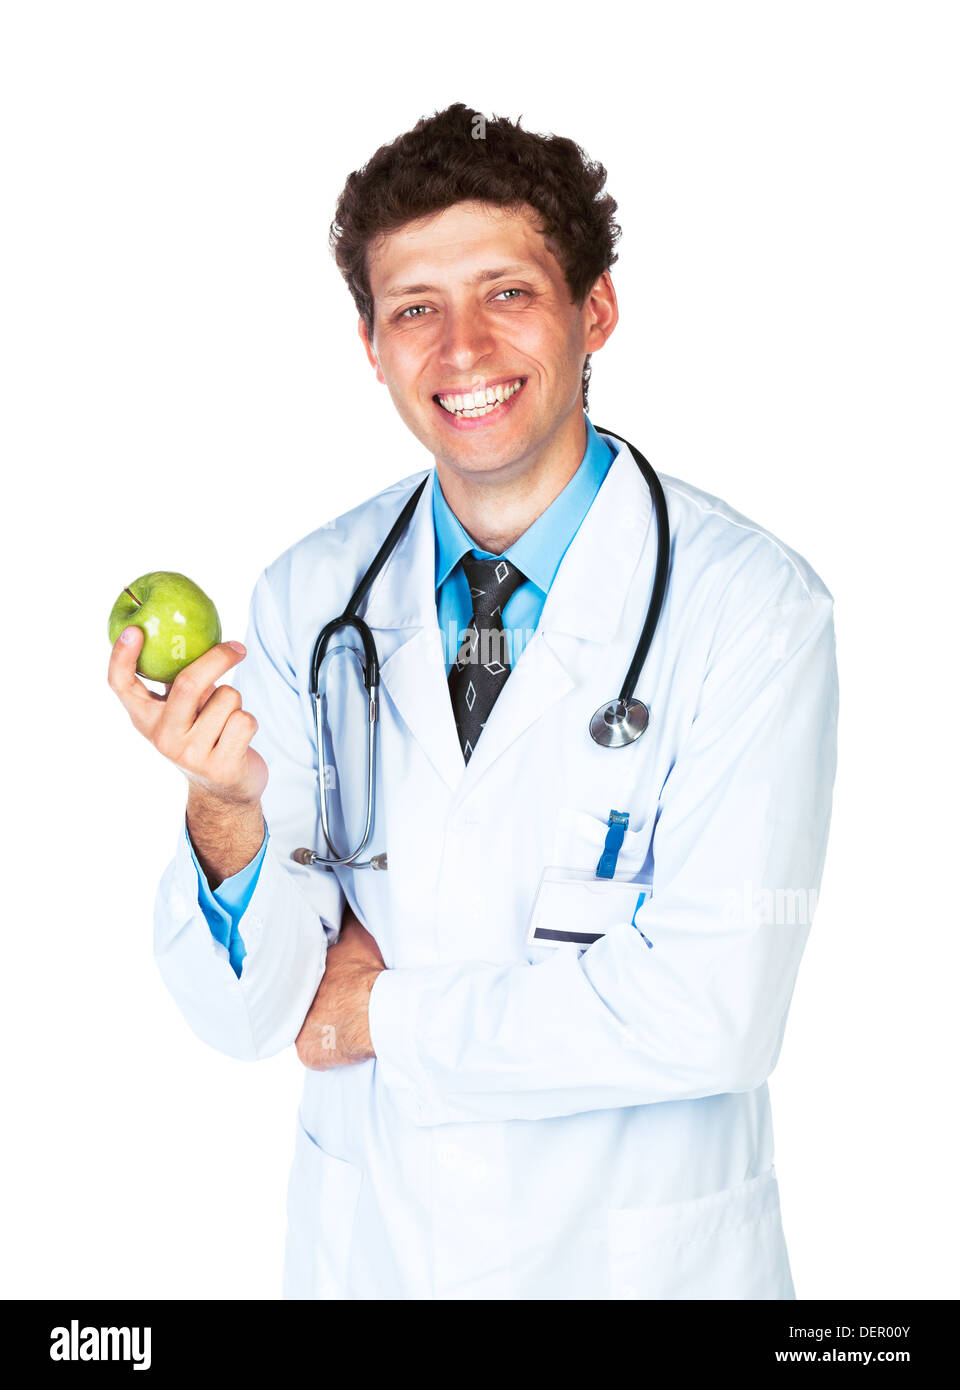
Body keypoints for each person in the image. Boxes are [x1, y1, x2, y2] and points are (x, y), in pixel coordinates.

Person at [108, 103, 838, 1300]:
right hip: (376, 1251)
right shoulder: (308, 598)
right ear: (371, 344)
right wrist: (226, 813)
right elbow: (251, 1016)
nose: (461, 349)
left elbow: (714, 1013)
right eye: (414, 310)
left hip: (640, 1263)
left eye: (506, 292)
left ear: (593, 309)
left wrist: (382, 1012)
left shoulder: (751, 608)